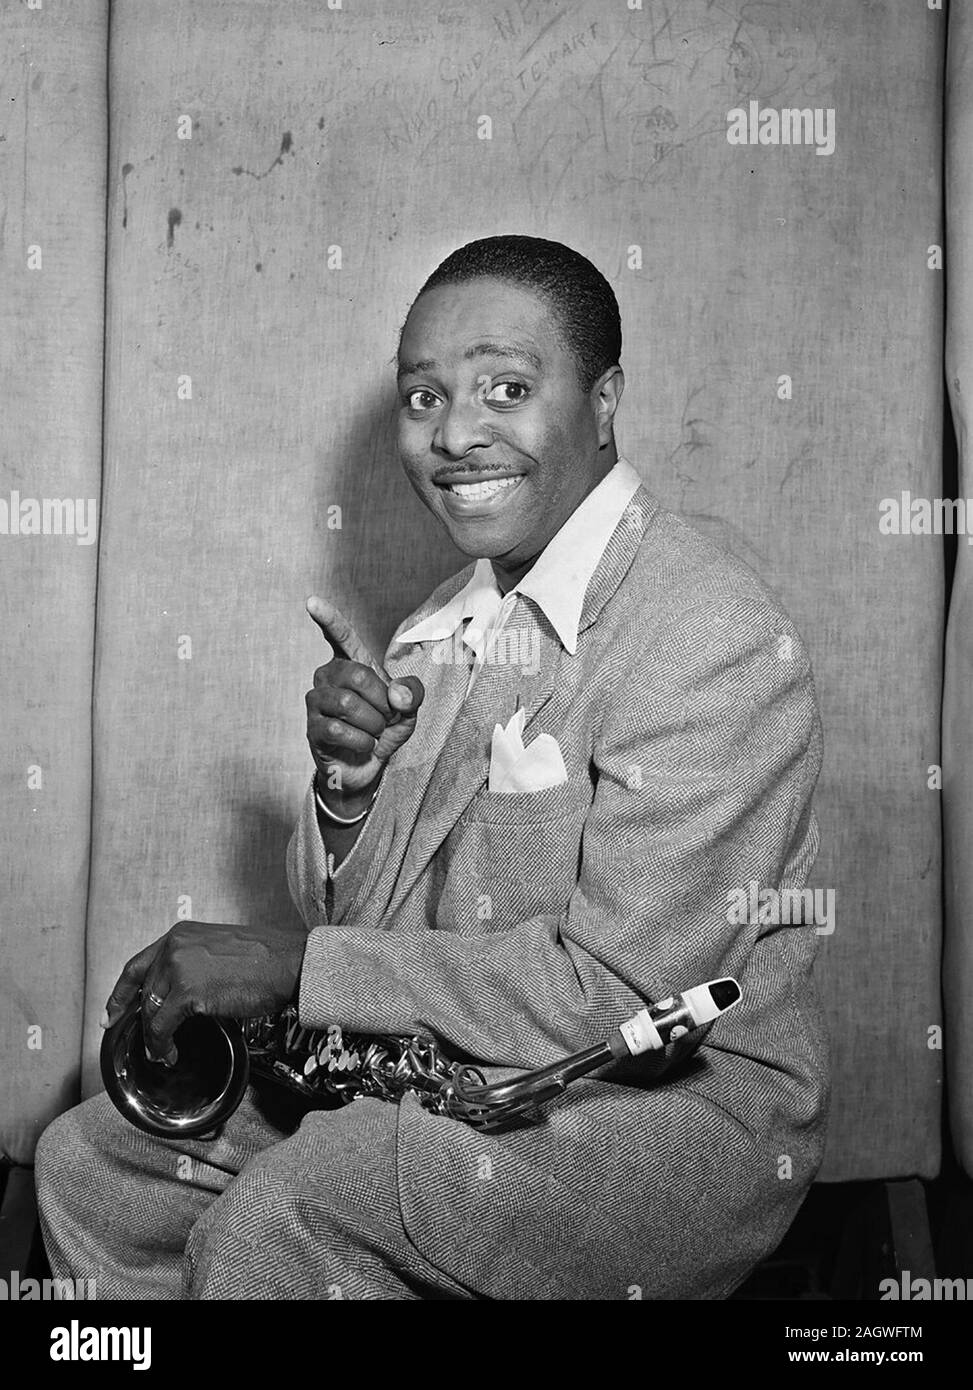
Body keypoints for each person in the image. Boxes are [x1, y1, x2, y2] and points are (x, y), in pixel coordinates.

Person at [34, 234, 828, 1300]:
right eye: (421, 398)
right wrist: (348, 794)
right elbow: (362, 920)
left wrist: (294, 969)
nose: (454, 434)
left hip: (660, 1112)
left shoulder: (710, 630)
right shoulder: (436, 626)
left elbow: (624, 993)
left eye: (505, 387)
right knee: (91, 1168)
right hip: (464, 1075)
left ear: (603, 402)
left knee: (281, 1223)